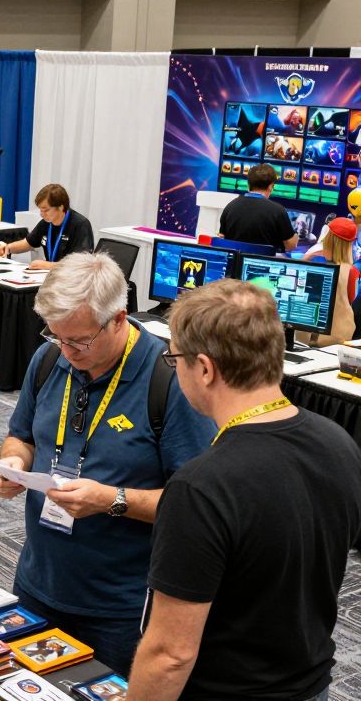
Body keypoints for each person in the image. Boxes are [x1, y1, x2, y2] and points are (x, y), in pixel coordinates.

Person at [128, 279, 361, 701]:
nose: (173, 368)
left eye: (173, 358)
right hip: (310, 685)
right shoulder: (339, 442)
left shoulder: (201, 487)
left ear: (204, 368)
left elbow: (170, 655)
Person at [0, 252, 213, 673]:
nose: (68, 350)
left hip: (119, 608)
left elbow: (195, 508)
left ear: (119, 319)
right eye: (57, 336)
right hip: (38, 583)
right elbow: (20, 436)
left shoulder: (169, 380)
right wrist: (12, 463)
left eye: (80, 340)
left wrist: (112, 500)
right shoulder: (49, 359)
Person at [0, 184, 94, 269]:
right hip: (50, 276)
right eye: (40, 210)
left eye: (46, 210)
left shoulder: (81, 224)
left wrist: (48, 266)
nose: (42, 214)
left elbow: (81, 264)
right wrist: (8, 248)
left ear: (61, 207)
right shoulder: (46, 223)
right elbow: (29, 243)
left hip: (72, 282)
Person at [296, 216, 357, 346]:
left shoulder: (310, 259)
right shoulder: (352, 271)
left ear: (329, 236)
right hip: (337, 336)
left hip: (302, 331)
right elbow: (350, 300)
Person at [218, 163, 298, 252]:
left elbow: (222, 238)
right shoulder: (278, 211)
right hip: (266, 263)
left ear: (248, 185)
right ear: (271, 186)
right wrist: (296, 234)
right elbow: (291, 245)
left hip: (234, 263)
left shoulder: (230, 207)